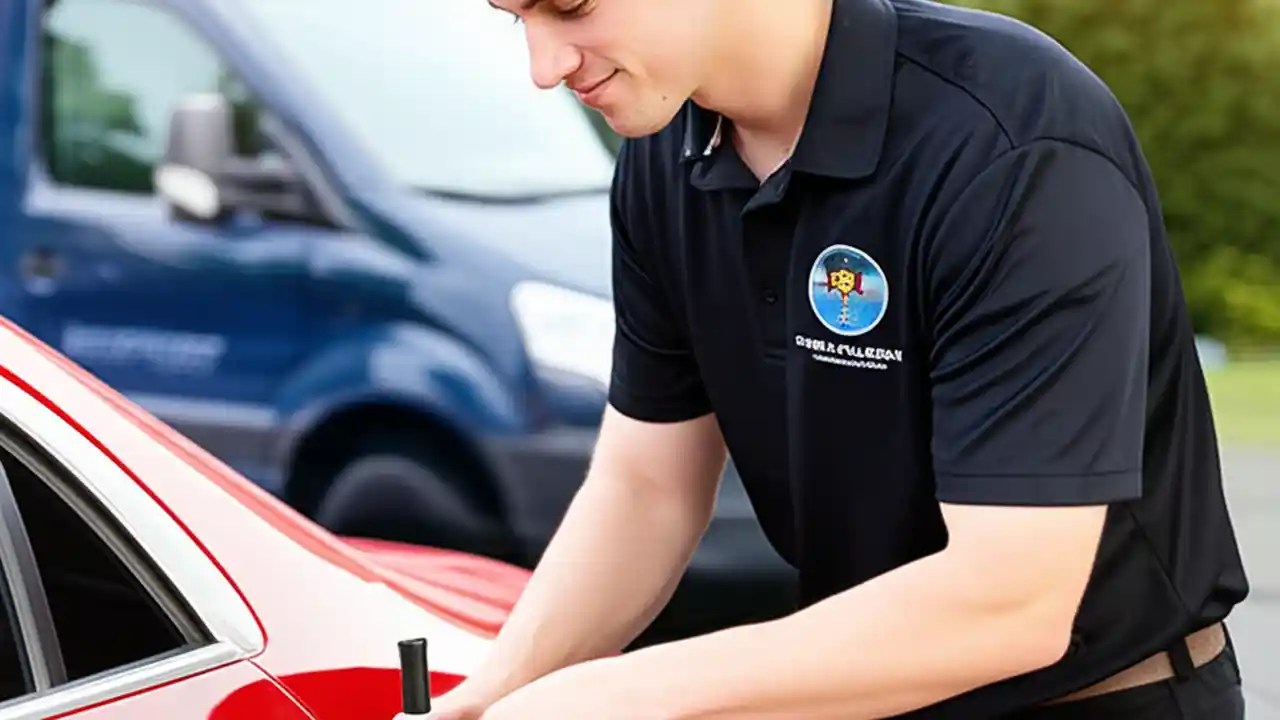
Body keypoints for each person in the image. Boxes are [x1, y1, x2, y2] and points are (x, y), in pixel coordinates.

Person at [429, 0, 1249, 717]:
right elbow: (646, 489)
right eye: (516, 18)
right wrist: (495, 691)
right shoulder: (666, 155)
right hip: (860, 693)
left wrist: (635, 692)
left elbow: (1013, 601)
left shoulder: (1008, 136)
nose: (544, 68)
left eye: (571, 7)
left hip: (1102, 698)